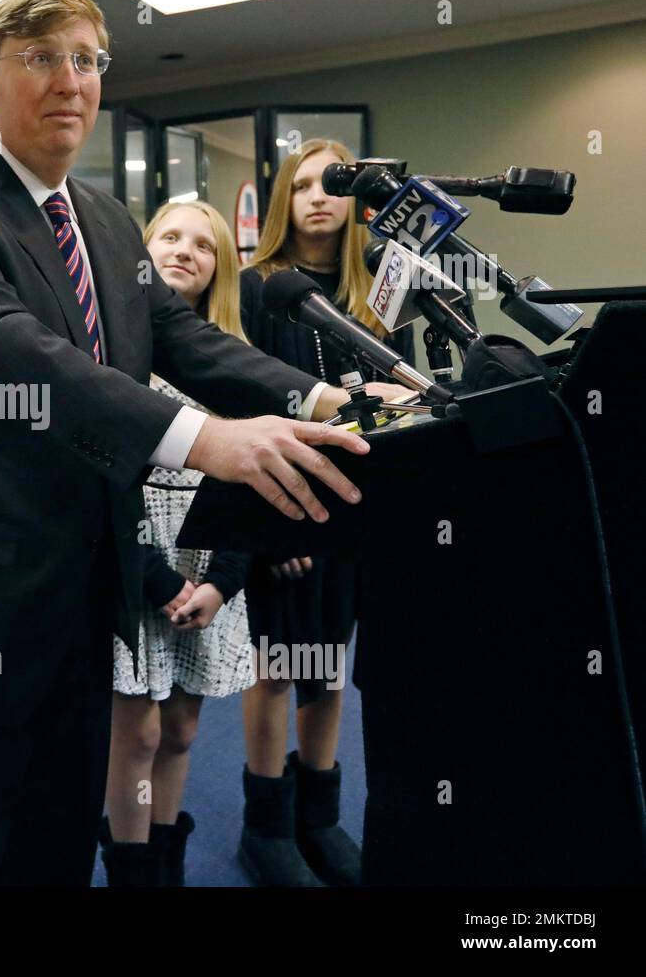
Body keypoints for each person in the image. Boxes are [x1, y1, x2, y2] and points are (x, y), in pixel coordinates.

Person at [0, 0, 408, 887]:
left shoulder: (106, 221)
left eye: (85, 60)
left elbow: (186, 340)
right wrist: (209, 440)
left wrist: (321, 400)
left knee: (52, 850)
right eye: (40, 58)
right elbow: (20, 359)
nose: (69, 79)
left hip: (79, 603)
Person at [236, 137, 417, 887]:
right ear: (284, 200)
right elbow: (237, 399)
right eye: (303, 184)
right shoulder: (256, 288)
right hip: (284, 500)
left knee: (330, 667)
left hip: (358, 508)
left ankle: (319, 816)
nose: (318, 197)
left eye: (333, 184)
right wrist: (271, 528)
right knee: (281, 665)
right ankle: (266, 827)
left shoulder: (376, 289)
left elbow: (409, 391)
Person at [101, 201, 256, 887]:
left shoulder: (237, 366)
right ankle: (132, 869)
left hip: (212, 566)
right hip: (141, 563)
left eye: (204, 243)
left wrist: (220, 582)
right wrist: (163, 582)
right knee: (138, 734)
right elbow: (104, 484)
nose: (185, 249)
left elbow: (257, 491)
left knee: (184, 730)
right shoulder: (110, 352)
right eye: (169, 235)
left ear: (222, 267)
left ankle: (168, 863)